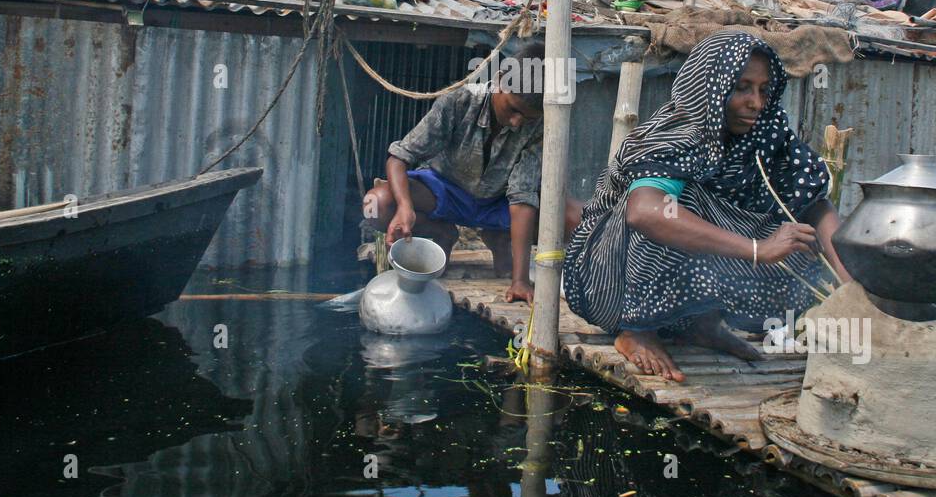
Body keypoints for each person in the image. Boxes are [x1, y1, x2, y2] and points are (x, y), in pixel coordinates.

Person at [562, 28, 852, 382]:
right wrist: (759, 249)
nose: (756, 103)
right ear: (711, 87)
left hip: (685, 281)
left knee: (797, 239)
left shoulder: (767, 138)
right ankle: (636, 327)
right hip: (608, 279)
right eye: (742, 87)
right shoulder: (678, 133)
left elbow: (816, 207)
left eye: (763, 90)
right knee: (674, 203)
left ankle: (702, 324)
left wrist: (850, 283)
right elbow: (643, 212)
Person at [363, 40, 581, 304]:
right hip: (444, 192)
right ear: (500, 81)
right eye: (512, 109)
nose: (516, 122)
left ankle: (499, 238)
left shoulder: (542, 126)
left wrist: (520, 280)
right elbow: (399, 157)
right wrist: (405, 207)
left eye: (527, 118)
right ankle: (443, 232)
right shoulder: (459, 101)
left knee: (576, 218)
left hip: (498, 203)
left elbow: (522, 196)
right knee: (374, 204)